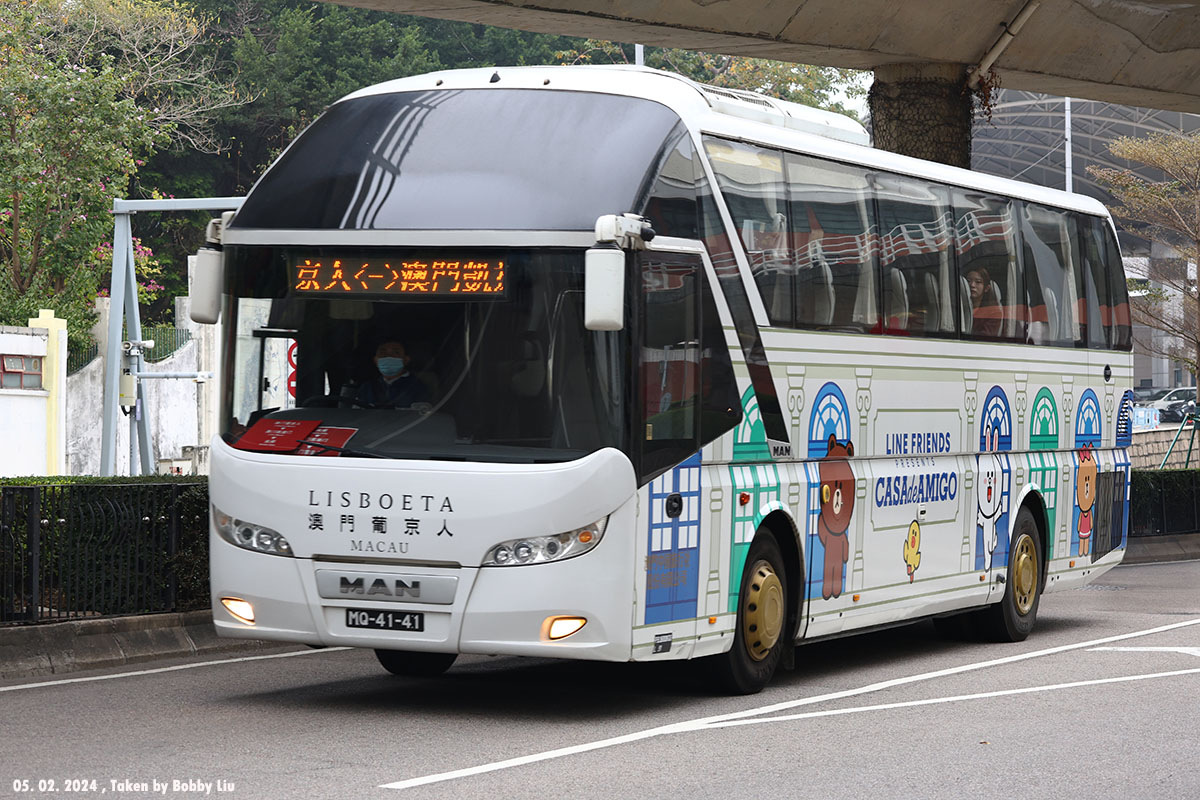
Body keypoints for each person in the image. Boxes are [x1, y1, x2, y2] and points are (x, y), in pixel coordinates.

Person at [356, 340, 430, 408]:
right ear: (376, 360)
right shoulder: (367, 387)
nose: (388, 356)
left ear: (406, 360)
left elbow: (421, 415)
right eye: (383, 353)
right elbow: (357, 414)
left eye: (396, 353)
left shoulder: (417, 387)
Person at [965, 266, 1001, 337]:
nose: (972, 285)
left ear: (986, 288)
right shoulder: (960, 307)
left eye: (978, 282)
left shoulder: (993, 313)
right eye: (968, 281)